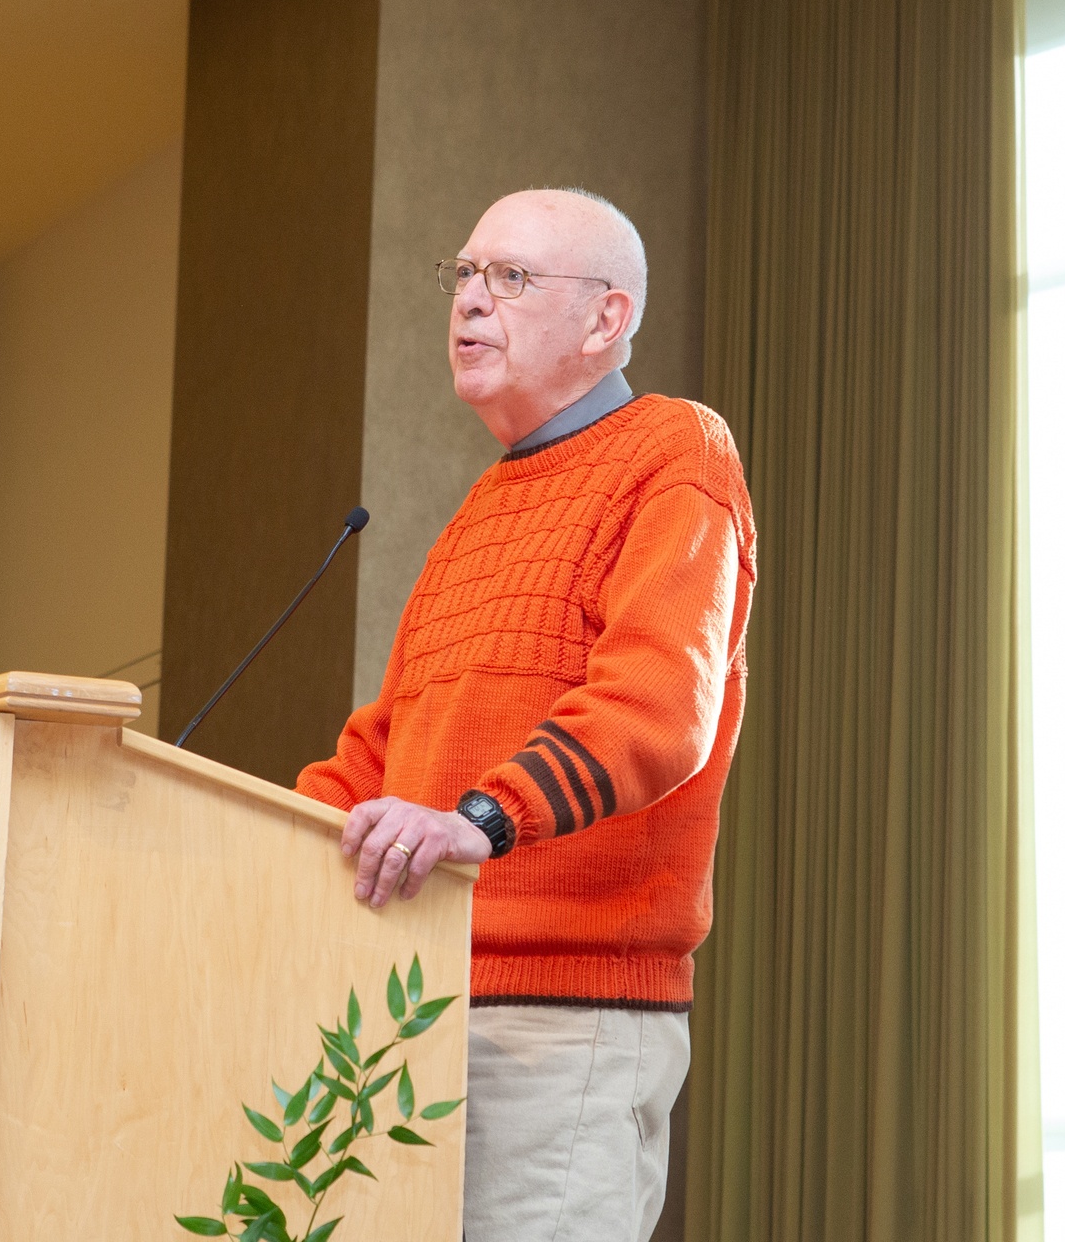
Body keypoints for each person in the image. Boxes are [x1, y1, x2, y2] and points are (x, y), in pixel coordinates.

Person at [295, 189, 756, 1242]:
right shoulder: (479, 508)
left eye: (508, 278)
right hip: (409, 1002)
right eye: (461, 274)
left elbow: (656, 707)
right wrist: (231, 843)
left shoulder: (676, 450)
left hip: (563, 1020)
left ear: (607, 318)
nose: (468, 302)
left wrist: (481, 818)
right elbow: (380, 749)